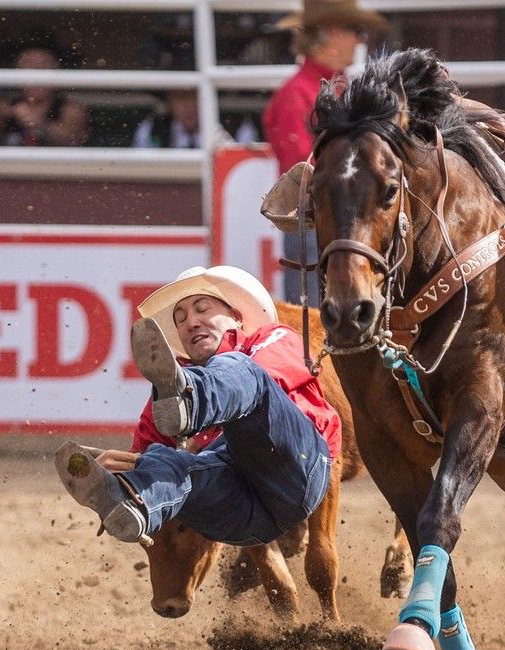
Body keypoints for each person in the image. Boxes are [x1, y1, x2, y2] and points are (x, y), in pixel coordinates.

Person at [54, 265, 341, 548]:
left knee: (239, 371)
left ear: (237, 318)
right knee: (167, 463)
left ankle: (194, 402)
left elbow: (266, 378)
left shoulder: (272, 338)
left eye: (202, 309)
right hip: (242, 514)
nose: (190, 322)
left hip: (299, 473)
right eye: (181, 319)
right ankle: (133, 503)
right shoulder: (171, 388)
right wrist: (128, 472)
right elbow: (144, 449)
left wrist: (195, 423)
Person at [262, 0, 388, 306]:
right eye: (354, 30)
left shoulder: (316, 91)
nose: (360, 40)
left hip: (333, 223)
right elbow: (305, 171)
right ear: (332, 34)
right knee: (318, 316)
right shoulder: (298, 96)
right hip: (319, 223)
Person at [133, 89, 202, 148]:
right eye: (181, 98)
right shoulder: (151, 128)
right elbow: (137, 161)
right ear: (170, 100)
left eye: (194, 97)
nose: (189, 106)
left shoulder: (212, 128)